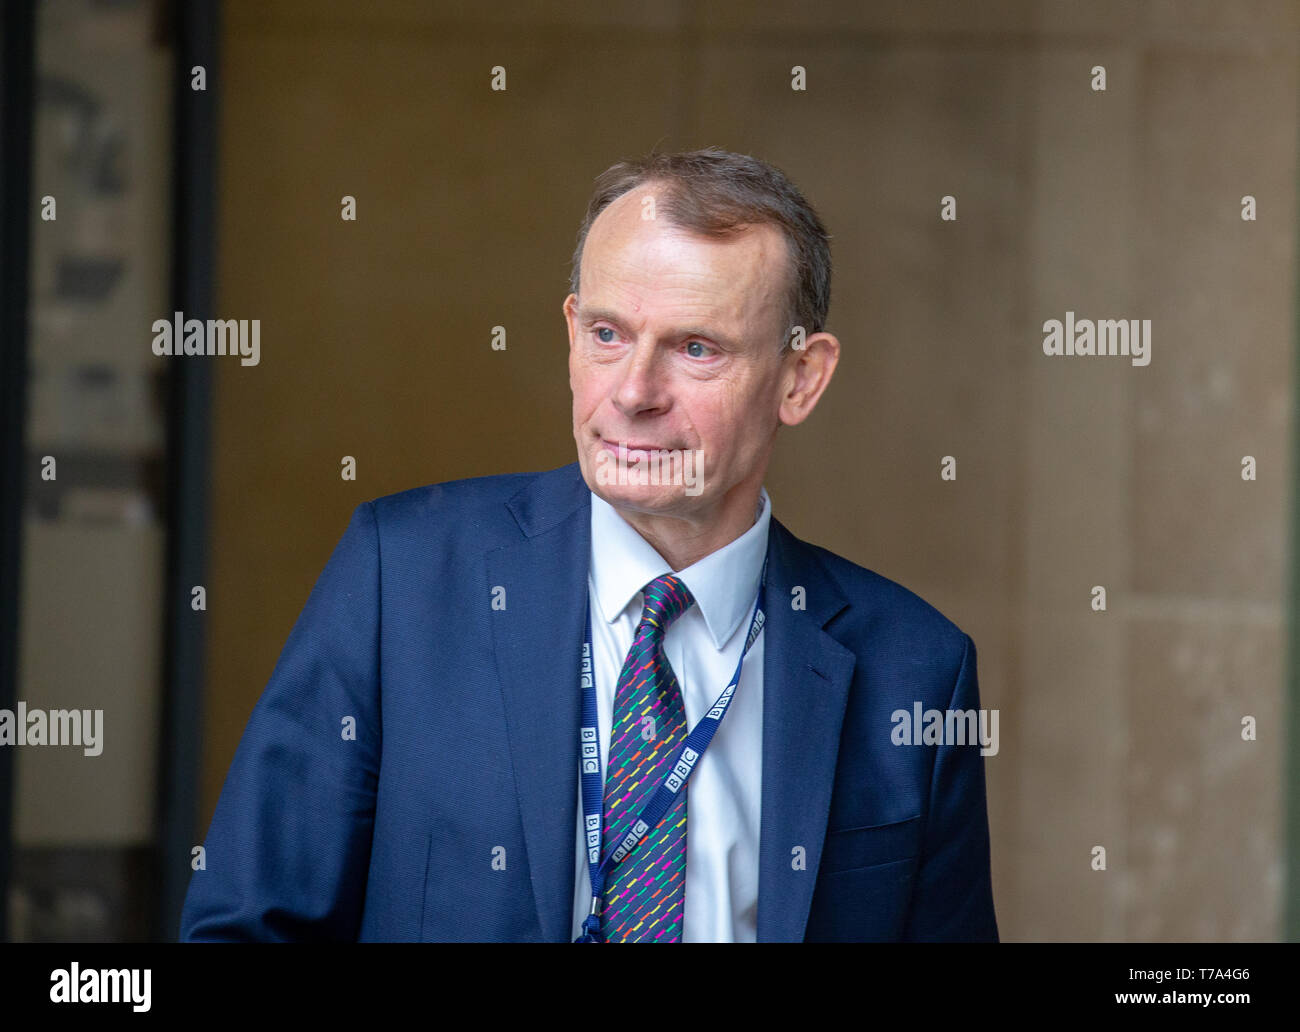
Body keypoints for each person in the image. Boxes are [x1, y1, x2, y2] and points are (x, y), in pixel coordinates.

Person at [179, 147, 998, 943]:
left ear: (800, 379)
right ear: (571, 330)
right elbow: (248, 926)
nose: (634, 392)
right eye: (608, 334)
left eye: (696, 348)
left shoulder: (913, 669)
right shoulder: (403, 579)